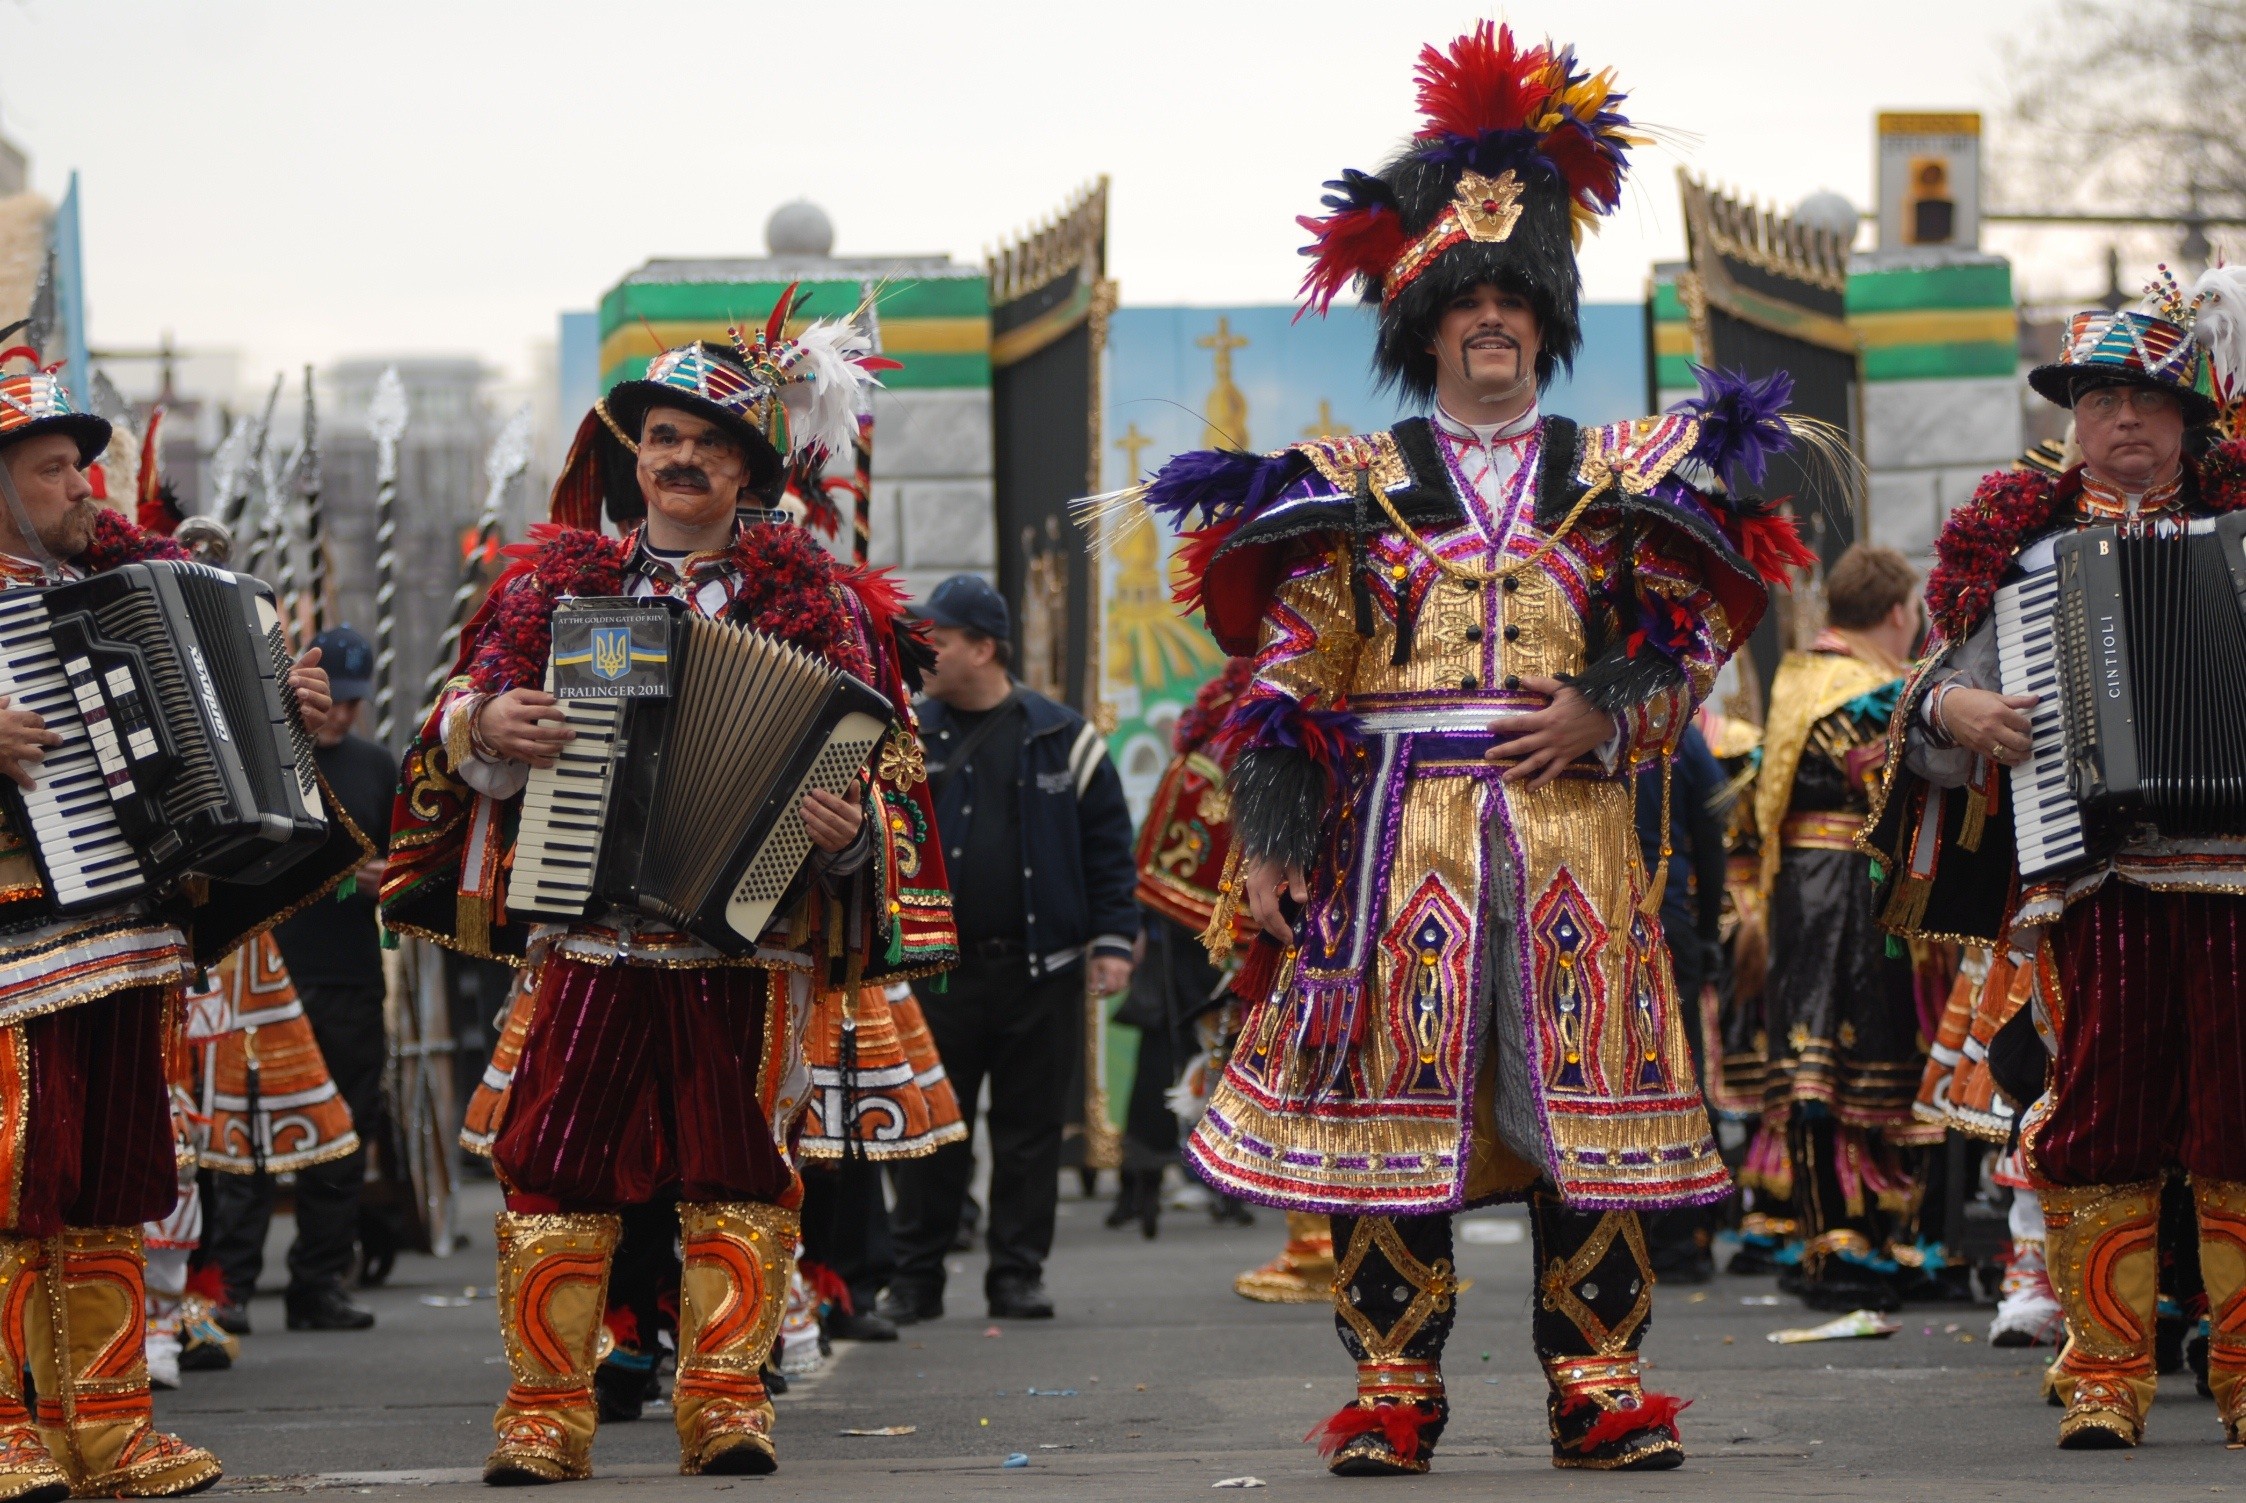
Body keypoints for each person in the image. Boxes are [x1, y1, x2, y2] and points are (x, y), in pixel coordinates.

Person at [1132, 24, 1816, 1474]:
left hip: (1575, 830)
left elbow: (1694, 627)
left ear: (1543, 322)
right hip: (1393, 844)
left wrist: (1604, 710)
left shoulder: (1625, 477)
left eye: (1513, 299)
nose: (1490, 319)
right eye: (1465, 302)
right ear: (1423, 324)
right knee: (1396, 1115)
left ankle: (1597, 1376)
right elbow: (1293, 665)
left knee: (1589, 1113)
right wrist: (1265, 837)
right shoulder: (1349, 485)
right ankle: (1391, 1380)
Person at [381, 325, 954, 1483]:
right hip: (587, 927)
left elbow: (887, 786)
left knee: (739, 1169)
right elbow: (458, 717)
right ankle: (543, 1411)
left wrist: (843, 842)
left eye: (706, 442)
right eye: (661, 438)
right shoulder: (554, 587)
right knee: (555, 1161)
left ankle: (727, 1401)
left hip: (746, 944)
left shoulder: (825, 606)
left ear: (752, 468)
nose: (679, 458)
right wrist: (485, 728)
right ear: (631, 457)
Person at [1865, 271, 2246, 1449]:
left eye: (2146, 397)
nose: (2122, 419)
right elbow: (1923, 703)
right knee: (2098, 1112)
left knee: (2240, 1112)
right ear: (2070, 421)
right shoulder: (2018, 558)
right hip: (2093, 877)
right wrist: (1959, 718)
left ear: (2189, 418)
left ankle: (2239, 1369)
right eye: (2098, 399)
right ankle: (2103, 1373)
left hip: (2235, 877)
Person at [0, 353, 350, 1500]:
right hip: (10, 951)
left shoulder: (114, 593)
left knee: (110, 1176)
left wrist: (284, 720)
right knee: (8, 1176)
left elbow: (213, 772)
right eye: (54, 470)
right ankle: (7, 1424)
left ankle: (105, 1423)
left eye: (82, 468)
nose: (84, 491)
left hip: (123, 938)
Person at [879, 573, 1138, 1324]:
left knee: (1028, 1133)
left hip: (1041, 969)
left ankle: (1017, 1274)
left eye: (939, 639)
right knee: (928, 1129)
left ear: (983, 647)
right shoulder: (906, 736)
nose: (921, 652)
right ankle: (917, 1277)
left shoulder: (1064, 735)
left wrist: (1112, 940)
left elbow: (1108, 849)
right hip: (935, 974)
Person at [1745, 544, 1925, 1311]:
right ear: (1895, 613)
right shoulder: (1867, 693)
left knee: (1828, 1056)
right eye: (1914, 611)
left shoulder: (1801, 675)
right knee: (1831, 1062)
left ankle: (1861, 1231)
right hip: (1847, 890)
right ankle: (1838, 1238)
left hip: (1806, 889)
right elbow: (1892, 789)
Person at [207, 625, 392, 1333]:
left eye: (352, 701)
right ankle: (229, 1286)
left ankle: (319, 1280)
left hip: (348, 976)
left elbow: (416, 864)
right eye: (332, 698)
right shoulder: (270, 759)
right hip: (268, 972)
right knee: (249, 1136)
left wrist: (386, 881)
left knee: (343, 1132)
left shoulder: (377, 768)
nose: (340, 714)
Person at [1632, 719, 1728, 1282]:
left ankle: (1610, 1229)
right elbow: (1711, 837)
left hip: (1585, 922)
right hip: (1668, 919)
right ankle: (1683, 1237)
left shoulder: (1575, 726)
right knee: (1678, 1071)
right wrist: (1710, 928)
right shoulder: (1677, 733)